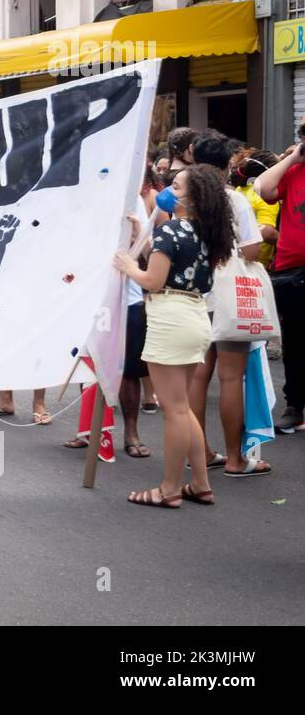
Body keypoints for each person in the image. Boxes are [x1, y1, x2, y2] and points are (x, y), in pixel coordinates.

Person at [113, 164, 232, 507]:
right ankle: (200, 483)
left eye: (177, 187)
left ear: (193, 198)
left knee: (175, 410)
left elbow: (151, 280)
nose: (169, 189)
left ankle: (169, 488)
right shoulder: (205, 231)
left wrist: (128, 266)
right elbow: (173, 267)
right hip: (195, 317)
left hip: (170, 318)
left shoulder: (171, 231)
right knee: (182, 408)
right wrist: (142, 239)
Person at [186, 131, 265, 476]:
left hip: (195, 296)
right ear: (228, 163)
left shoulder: (187, 201)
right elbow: (252, 250)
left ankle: (199, 452)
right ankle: (235, 459)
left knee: (197, 378)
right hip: (231, 296)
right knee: (232, 379)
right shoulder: (236, 201)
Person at [256, 123, 305, 433]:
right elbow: (262, 188)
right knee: (296, 344)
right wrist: (293, 157)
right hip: (290, 270)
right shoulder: (293, 171)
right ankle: (294, 406)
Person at [232, 148, 280, 268]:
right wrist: (288, 241)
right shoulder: (264, 196)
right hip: (258, 265)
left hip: (238, 259)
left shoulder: (241, 189)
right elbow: (267, 232)